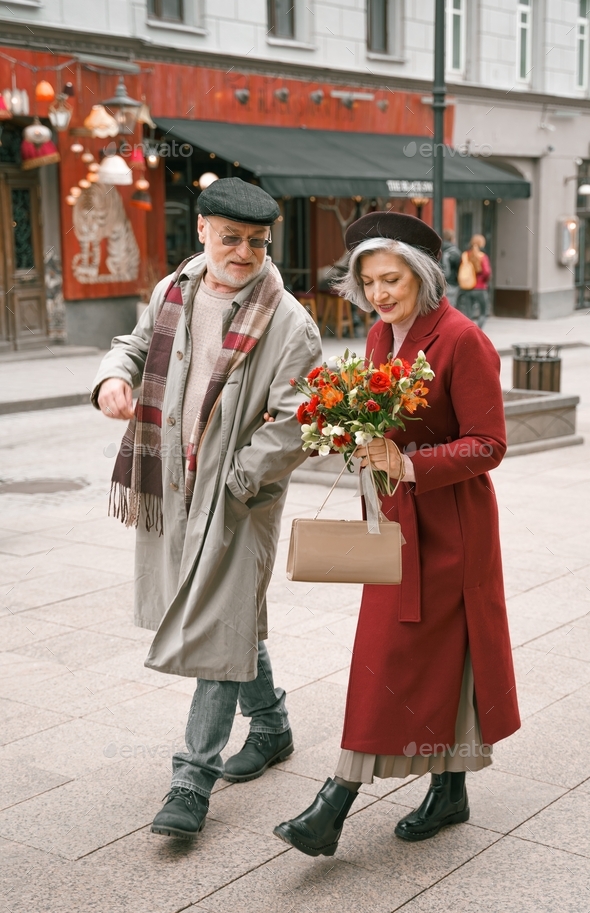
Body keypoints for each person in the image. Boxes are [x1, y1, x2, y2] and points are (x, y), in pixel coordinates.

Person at [273, 212, 520, 857]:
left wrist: (410, 465)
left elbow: (490, 444)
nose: (378, 294)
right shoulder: (382, 335)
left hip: (452, 528)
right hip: (397, 522)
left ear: (423, 276)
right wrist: (352, 436)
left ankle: (335, 802)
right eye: (368, 282)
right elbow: (383, 420)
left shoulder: (463, 340)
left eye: (392, 279)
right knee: (397, 653)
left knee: (421, 652)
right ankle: (451, 791)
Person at [92, 177, 322, 840]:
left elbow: (297, 420)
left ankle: (192, 778)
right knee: (231, 615)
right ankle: (271, 725)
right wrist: (113, 376)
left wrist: (240, 481)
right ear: (202, 230)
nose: (244, 252)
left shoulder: (289, 321)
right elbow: (136, 345)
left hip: (239, 499)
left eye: (257, 241)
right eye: (231, 238)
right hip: (173, 485)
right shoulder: (175, 289)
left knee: (218, 625)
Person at [457, 233, 492, 328]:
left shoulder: (465, 255)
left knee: (468, 314)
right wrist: (484, 281)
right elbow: (486, 272)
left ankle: (469, 331)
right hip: (480, 288)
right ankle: (479, 330)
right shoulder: (483, 256)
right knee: (483, 312)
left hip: (467, 288)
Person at [441, 228, 461, 307]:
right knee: (450, 305)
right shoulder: (455, 252)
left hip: (439, 282)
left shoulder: (438, 249)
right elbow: (459, 268)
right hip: (452, 283)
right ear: (452, 239)